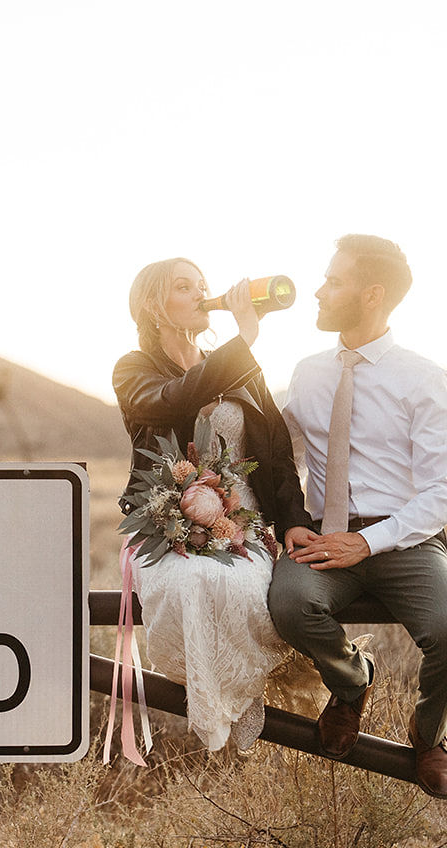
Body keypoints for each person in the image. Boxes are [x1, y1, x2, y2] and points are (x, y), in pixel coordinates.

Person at [267, 235, 447, 799]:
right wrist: (287, 517)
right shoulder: (308, 373)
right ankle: (352, 684)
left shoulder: (424, 379)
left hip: (405, 539)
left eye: (333, 281)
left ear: (372, 295)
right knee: (289, 604)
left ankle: (430, 733)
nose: (318, 291)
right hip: (324, 533)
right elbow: (282, 455)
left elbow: (443, 493)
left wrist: (367, 543)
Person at [113, 258, 312, 753]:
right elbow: (173, 400)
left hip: (244, 521)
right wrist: (243, 340)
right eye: (185, 287)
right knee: (190, 581)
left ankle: (241, 695)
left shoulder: (240, 367)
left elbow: (276, 453)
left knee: (242, 585)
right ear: (152, 306)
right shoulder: (133, 370)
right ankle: (211, 704)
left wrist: (293, 521)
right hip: (167, 523)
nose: (201, 293)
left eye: (202, 285)